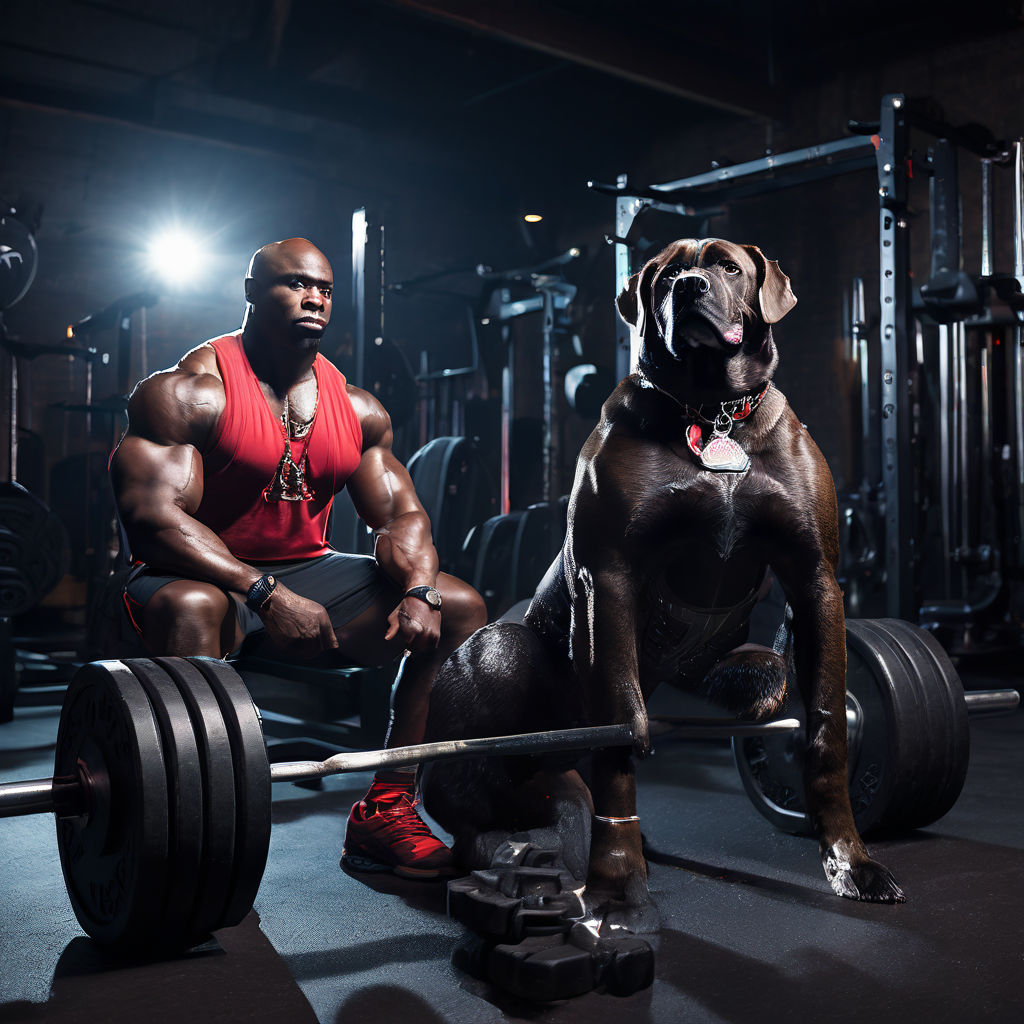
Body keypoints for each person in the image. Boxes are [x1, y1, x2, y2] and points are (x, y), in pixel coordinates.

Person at [110, 237, 487, 878]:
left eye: (324, 288)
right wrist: (265, 593)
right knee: (197, 606)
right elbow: (153, 524)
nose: (313, 297)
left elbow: (401, 516)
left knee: (459, 605)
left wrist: (421, 590)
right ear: (253, 293)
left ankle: (387, 810)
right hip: (197, 575)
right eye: (292, 283)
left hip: (308, 573)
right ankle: (193, 839)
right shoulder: (189, 394)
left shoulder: (357, 409)